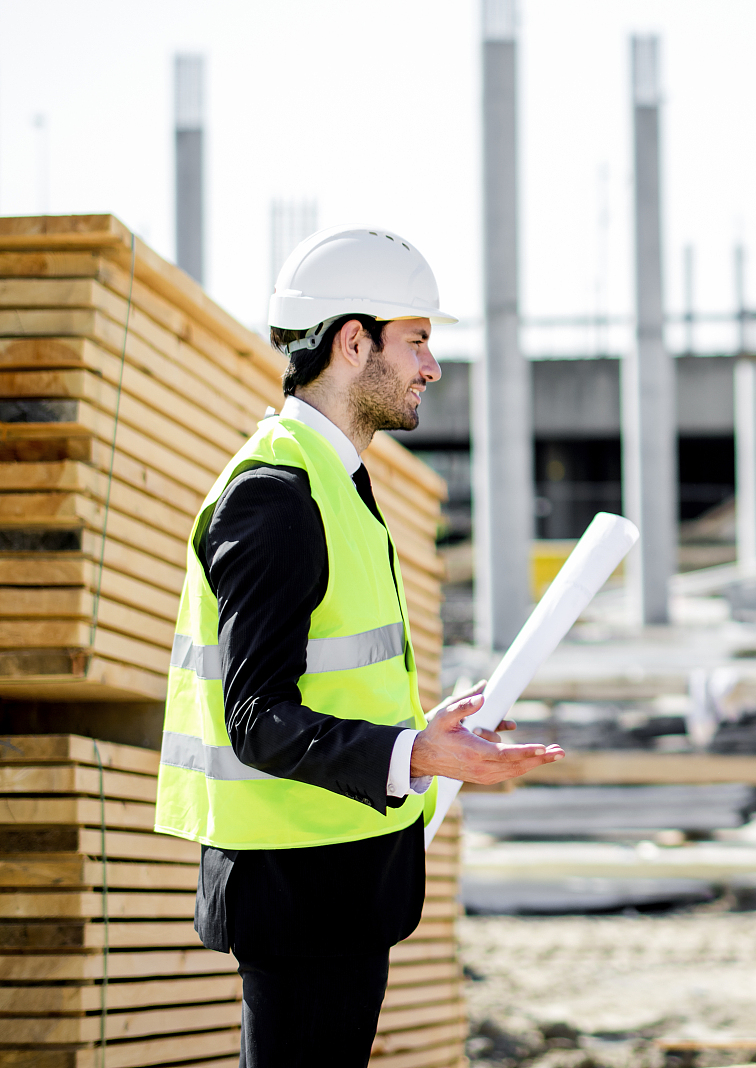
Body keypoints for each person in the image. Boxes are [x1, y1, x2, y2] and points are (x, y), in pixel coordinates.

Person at [155, 227, 566, 1068]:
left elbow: (327, 681)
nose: (431, 367)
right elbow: (257, 716)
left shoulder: (330, 479)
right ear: (354, 341)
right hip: (298, 891)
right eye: (416, 340)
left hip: (334, 882)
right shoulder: (276, 495)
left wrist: (424, 729)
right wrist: (414, 753)